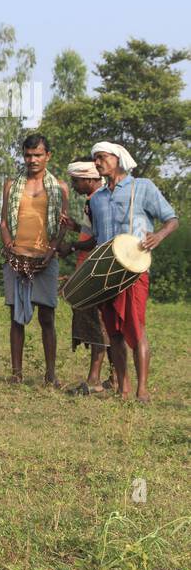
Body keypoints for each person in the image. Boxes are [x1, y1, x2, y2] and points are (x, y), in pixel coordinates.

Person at [73, 142, 179, 402]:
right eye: (95, 158)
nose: (97, 163)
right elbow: (96, 238)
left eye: (102, 157)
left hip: (134, 270)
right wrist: (71, 244)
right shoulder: (96, 199)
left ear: (118, 158)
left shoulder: (142, 187)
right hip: (107, 272)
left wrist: (159, 236)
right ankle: (124, 388)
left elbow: (172, 219)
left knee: (136, 328)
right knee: (115, 332)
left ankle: (142, 391)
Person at [0, 133, 70, 385]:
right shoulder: (11, 185)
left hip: (45, 260)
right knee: (16, 317)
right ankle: (16, 374)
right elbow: (4, 222)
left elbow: (63, 226)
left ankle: (50, 374)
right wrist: (10, 249)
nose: (33, 160)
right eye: (28, 155)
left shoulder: (59, 187)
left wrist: (50, 253)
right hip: (17, 259)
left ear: (47, 156)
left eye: (38, 154)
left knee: (47, 317)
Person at [59, 160, 111, 395]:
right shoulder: (97, 199)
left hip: (95, 268)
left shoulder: (98, 200)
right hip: (93, 265)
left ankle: (94, 379)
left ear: (89, 180)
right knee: (104, 322)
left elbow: (96, 239)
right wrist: (75, 227)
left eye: (76, 181)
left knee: (96, 322)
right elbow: (91, 230)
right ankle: (116, 377)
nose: (75, 185)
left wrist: (71, 246)